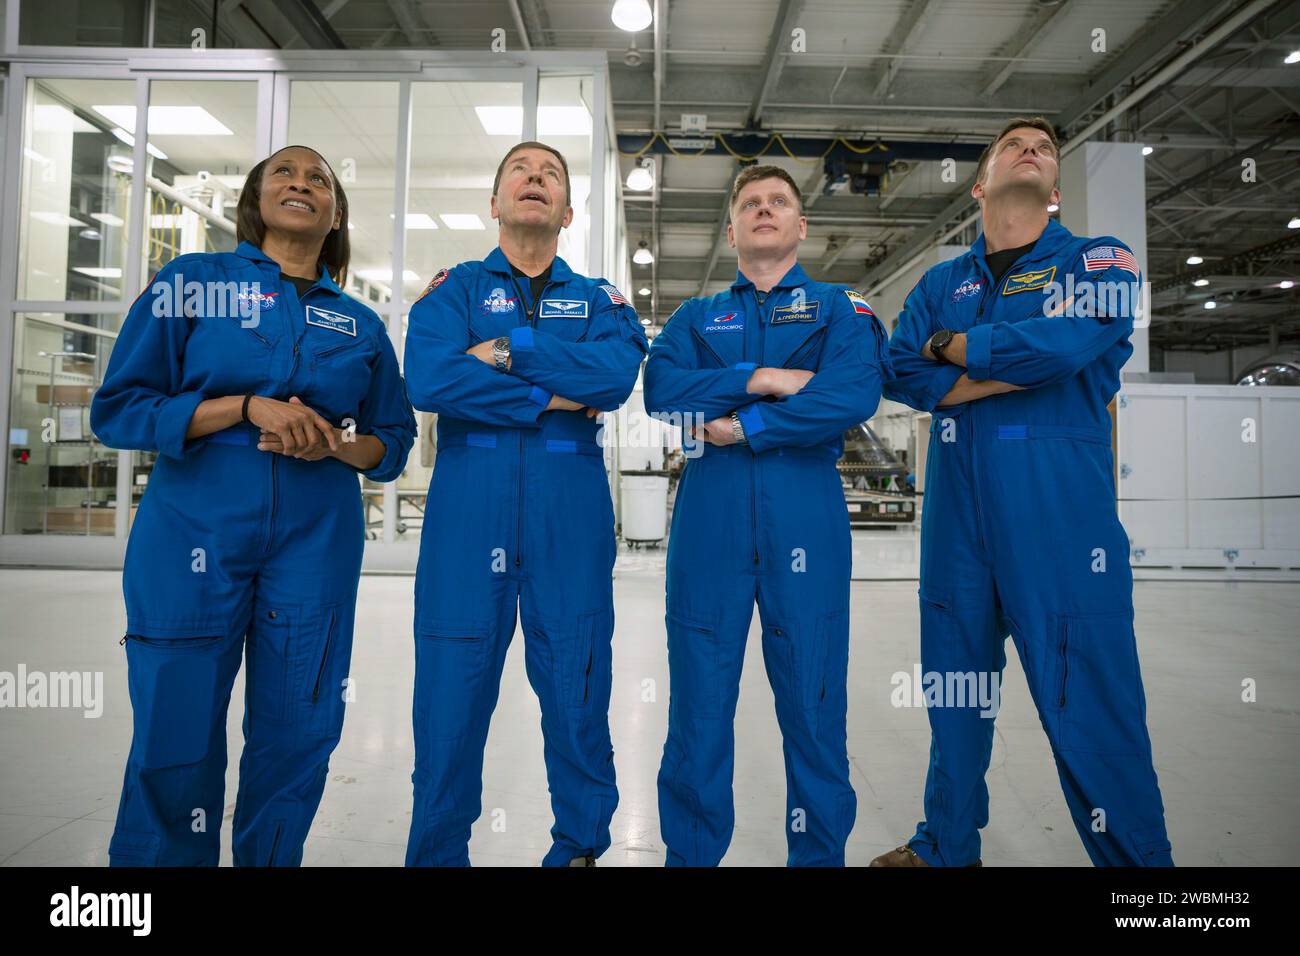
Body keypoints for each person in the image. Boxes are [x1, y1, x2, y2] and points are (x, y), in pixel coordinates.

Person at [91, 145, 417, 866]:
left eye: (320, 180)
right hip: (191, 535)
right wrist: (244, 408)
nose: (303, 183)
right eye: (285, 174)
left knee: (299, 729)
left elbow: (391, 441)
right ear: (254, 200)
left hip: (316, 538)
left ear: (335, 215)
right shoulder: (192, 282)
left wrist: (333, 444)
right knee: (176, 732)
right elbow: (119, 411)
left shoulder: (358, 323)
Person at [873, 117, 1173, 867]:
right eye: (1014, 144)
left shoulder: (1098, 260)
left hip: (1060, 522)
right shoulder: (942, 281)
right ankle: (945, 845)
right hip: (957, 524)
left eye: (1044, 148)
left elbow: (1071, 341)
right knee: (955, 698)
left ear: (1056, 188)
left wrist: (959, 351)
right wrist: (1015, 364)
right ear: (980, 184)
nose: (1032, 148)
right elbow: (903, 371)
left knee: (1093, 708)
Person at [404, 141, 648, 867]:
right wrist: (551, 396)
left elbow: (611, 379)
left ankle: (578, 848)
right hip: (465, 513)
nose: (534, 178)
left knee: (577, 692)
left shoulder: (603, 299)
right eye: (520, 170)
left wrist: (506, 349)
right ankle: (438, 855)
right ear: (495, 202)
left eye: (550, 174)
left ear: (568, 211)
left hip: (567, 514)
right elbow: (430, 379)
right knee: (449, 700)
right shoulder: (452, 291)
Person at [643, 164, 887, 866]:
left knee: (813, 705)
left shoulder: (842, 310)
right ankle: (690, 855)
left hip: (803, 508)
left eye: (779, 201)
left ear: (801, 225)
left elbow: (852, 394)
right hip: (710, 515)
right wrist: (764, 380)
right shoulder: (693, 318)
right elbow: (661, 388)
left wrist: (745, 425)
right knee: (699, 707)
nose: (764, 209)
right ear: (731, 229)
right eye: (749, 202)